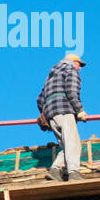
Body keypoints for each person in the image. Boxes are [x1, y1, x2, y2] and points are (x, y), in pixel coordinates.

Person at [36, 52, 88, 181]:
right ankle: (74, 173)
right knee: (73, 143)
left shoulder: (50, 77)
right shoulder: (71, 70)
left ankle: (55, 171)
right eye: (79, 64)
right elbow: (71, 91)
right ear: (73, 62)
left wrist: (45, 115)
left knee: (66, 146)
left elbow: (39, 100)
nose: (80, 68)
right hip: (64, 109)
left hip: (51, 115)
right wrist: (79, 110)